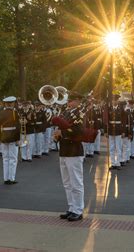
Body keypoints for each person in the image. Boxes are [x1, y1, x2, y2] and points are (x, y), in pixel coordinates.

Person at [52, 91, 85, 222]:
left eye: (71, 100)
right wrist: (57, 135)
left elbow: (79, 131)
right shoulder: (65, 112)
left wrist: (63, 132)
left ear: (78, 101)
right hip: (64, 150)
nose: (69, 102)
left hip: (74, 150)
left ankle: (78, 210)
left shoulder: (80, 113)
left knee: (76, 182)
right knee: (67, 182)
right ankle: (71, 208)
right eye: (69, 100)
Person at [0, 96, 21, 184]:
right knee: (13, 159)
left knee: (5, 158)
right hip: (13, 137)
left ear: (6, 104)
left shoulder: (1, 113)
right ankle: (11, 178)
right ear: (12, 103)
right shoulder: (15, 113)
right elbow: (17, 127)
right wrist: (18, 139)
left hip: (4, 137)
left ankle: (6, 178)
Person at [107, 94, 124, 170]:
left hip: (118, 130)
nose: (114, 101)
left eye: (116, 100)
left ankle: (118, 163)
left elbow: (123, 121)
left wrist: (123, 131)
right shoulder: (109, 109)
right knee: (111, 147)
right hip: (111, 130)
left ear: (118, 101)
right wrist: (106, 131)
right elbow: (106, 120)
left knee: (118, 147)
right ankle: (113, 163)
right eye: (113, 100)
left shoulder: (121, 109)